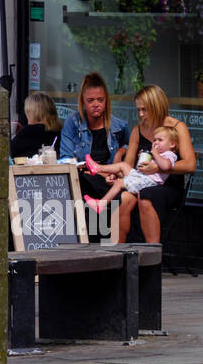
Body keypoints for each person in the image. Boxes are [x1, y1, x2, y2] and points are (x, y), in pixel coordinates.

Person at [116, 84, 197, 243]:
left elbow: (190, 165)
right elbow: (128, 165)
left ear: (157, 106)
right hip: (141, 181)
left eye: (145, 109)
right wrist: (115, 174)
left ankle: (151, 257)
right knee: (122, 198)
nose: (141, 114)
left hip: (168, 185)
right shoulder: (137, 130)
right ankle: (118, 254)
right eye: (138, 110)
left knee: (147, 196)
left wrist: (158, 167)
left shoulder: (177, 127)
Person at [59, 72, 129, 238]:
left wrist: (119, 153)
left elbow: (131, 156)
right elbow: (66, 159)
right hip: (84, 180)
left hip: (109, 183)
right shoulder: (73, 123)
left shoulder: (119, 126)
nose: (96, 104)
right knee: (81, 183)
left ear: (106, 101)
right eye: (90, 101)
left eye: (100, 100)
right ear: (83, 101)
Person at [82, 125, 178, 215]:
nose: (156, 142)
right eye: (154, 140)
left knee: (119, 183)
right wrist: (144, 156)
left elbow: (166, 166)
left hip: (148, 182)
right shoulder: (158, 154)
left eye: (160, 140)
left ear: (172, 144)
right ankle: (98, 168)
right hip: (141, 177)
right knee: (123, 165)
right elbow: (141, 168)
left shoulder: (169, 155)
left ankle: (100, 205)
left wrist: (155, 154)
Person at [10, 92, 62, 160]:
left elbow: (10, 151)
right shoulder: (59, 132)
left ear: (32, 115)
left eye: (27, 113)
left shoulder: (28, 131)